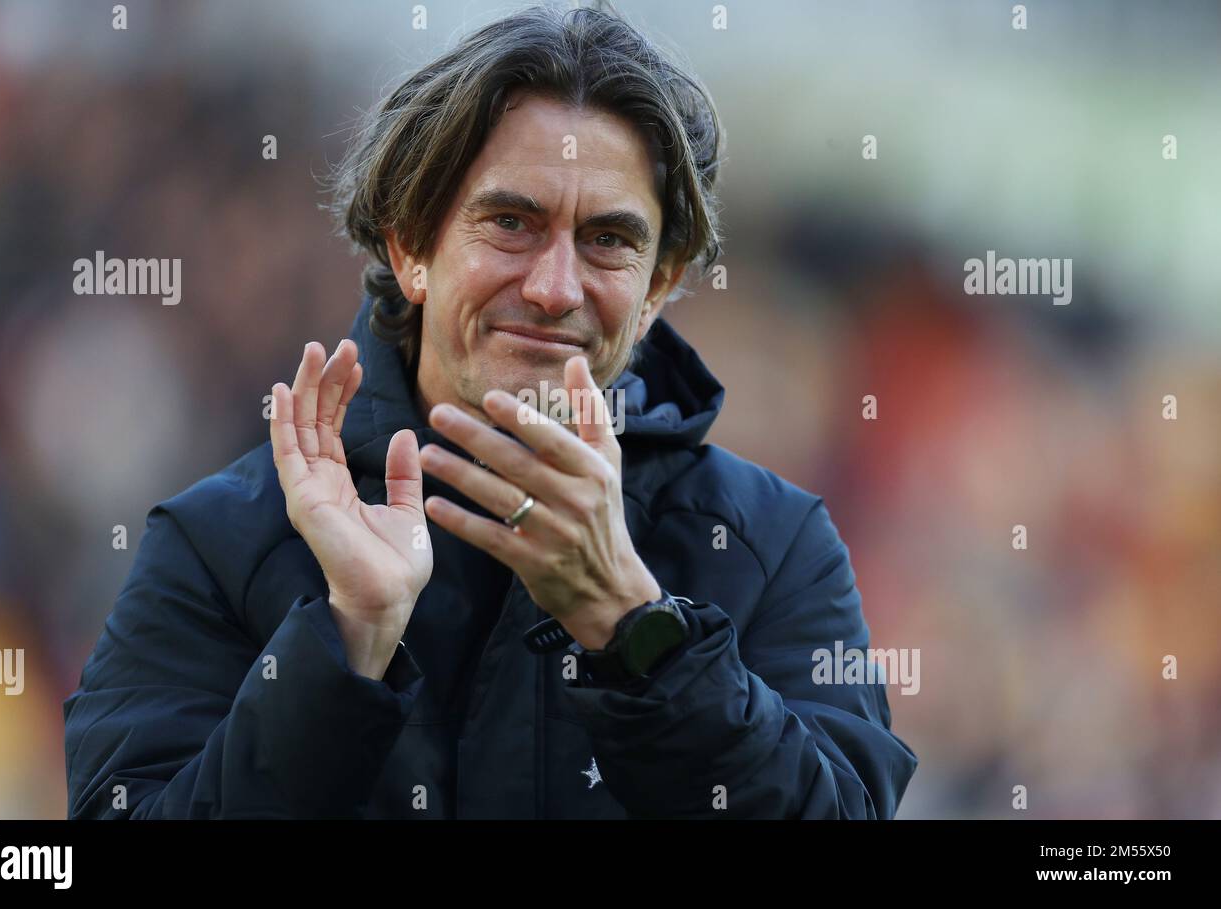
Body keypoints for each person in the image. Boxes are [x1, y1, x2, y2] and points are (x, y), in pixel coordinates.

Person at [63, 2, 916, 819]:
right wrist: (345, 642)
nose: (553, 288)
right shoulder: (220, 542)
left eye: (609, 241)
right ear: (410, 247)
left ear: (658, 285)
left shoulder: (776, 545)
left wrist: (633, 627)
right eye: (511, 222)